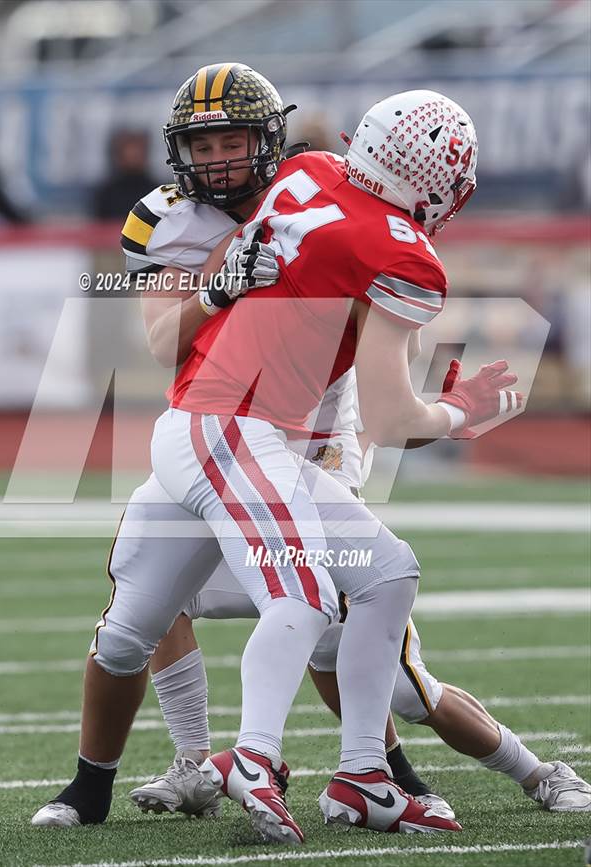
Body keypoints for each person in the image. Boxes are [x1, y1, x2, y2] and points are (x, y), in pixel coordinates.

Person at [31, 62, 449, 834]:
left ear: (270, 139)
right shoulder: (164, 218)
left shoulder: (316, 187)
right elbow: (160, 342)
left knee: (336, 606)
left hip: (313, 429)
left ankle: (384, 768)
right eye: (204, 142)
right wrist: (218, 286)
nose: (219, 157)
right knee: (132, 623)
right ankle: (120, 778)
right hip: (215, 427)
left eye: (233, 139)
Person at [136, 87, 521, 843]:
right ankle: (254, 757)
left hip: (244, 428)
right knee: (305, 592)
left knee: (387, 574)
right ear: (442, 186)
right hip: (226, 424)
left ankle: (363, 776)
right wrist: (460, 413)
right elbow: (391, 418)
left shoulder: (309, 168)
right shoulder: (406, 254)